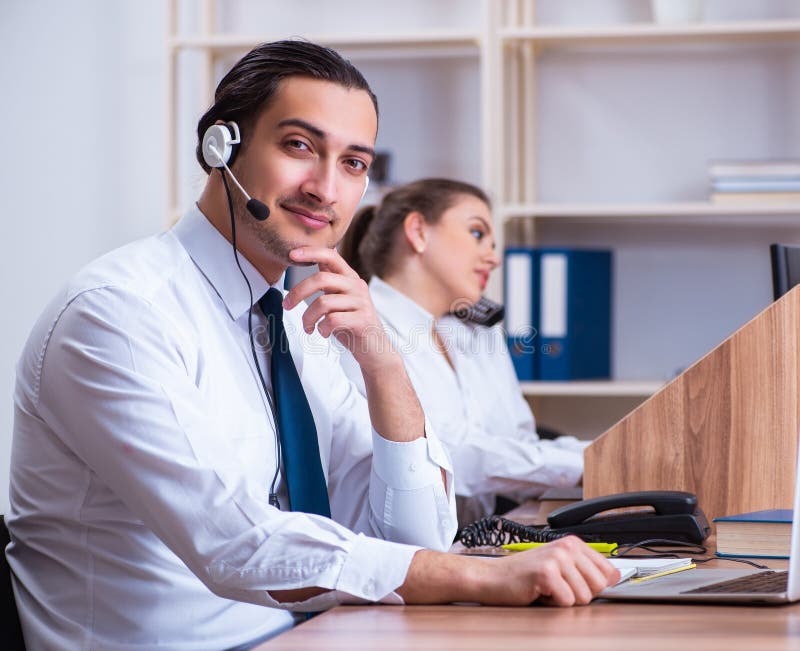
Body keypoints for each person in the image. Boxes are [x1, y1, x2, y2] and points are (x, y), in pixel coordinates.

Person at [8, 41, 617, 651]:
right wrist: (478, 574)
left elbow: (415, 538)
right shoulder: (119, 314)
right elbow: (235, 545)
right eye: (299, 146)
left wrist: (384, 365)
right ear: (221, 146)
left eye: (354, 163)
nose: (326, 188)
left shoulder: (301, 323)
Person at [339, 178, 588, 526]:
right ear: (418, 232)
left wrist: (602, 454)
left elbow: (519, 443)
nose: (494, 257)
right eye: (477, 234)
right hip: (396, 552)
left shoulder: (473, 334)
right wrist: (583, 464)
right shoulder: (356, 328)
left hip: (479, 543)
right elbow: (443, 453)